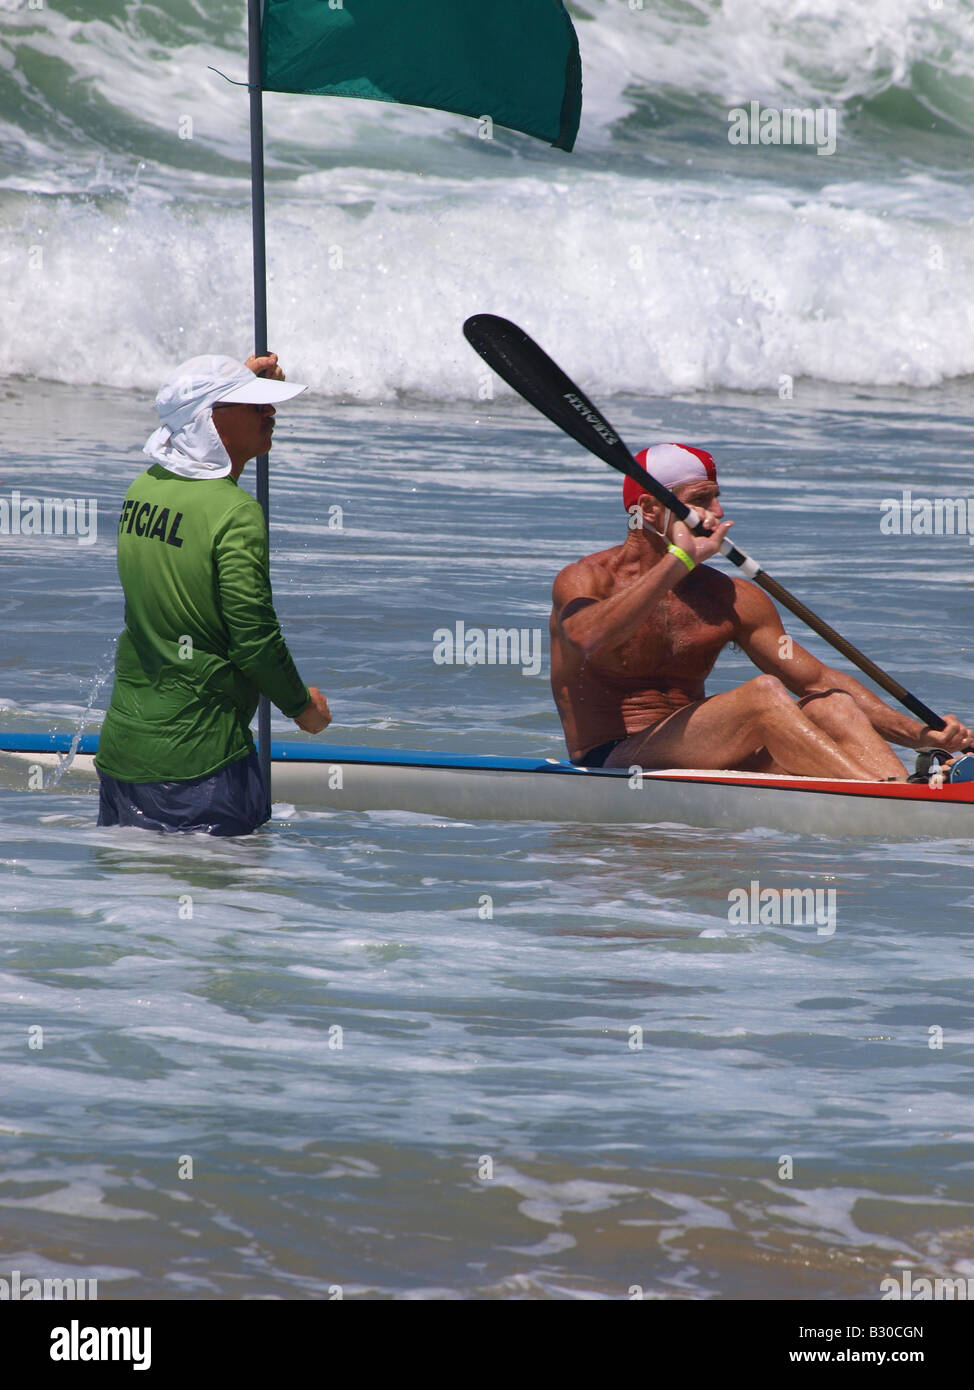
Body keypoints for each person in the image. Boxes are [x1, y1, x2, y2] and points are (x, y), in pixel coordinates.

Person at [550, 442, 971, 778]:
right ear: (649, 510)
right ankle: (894, 802)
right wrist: (678, 560)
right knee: (763, 694)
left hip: (708, 754)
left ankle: (910, 793)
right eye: (702, 499)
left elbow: (817, 678)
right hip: (613, 759)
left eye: (717, 498)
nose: (718, 513)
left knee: (831, 703)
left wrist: (917, 734)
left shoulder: (729, 597)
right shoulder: (587, 580)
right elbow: (589, 636)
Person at [95, 351, 331, 835]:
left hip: (122, 756)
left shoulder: (142, 489)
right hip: (201, 767)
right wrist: (300, 707)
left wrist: (240, 382)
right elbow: (255, 640)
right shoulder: (236, 514)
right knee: (235, 906)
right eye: (254, 406)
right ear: (208, 422)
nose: (271, 413)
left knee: (132, 905)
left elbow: (193, 434)